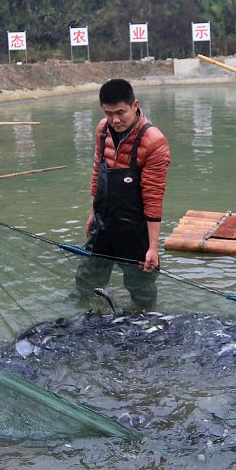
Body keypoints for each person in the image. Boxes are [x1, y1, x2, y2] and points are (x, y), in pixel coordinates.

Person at [74, 79, 171, 310]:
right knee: (86, 279)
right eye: (108, 113)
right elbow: (98, 173)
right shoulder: (102, 130)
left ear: (134, 105)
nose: (115, 120)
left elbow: (153, 197)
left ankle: (144, 319)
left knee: (142, 290)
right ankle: (86, 312)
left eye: (120, 112)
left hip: (135, 229)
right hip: (104, 222)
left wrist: (153, 248)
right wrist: (93, 214)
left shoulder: (154, 142)